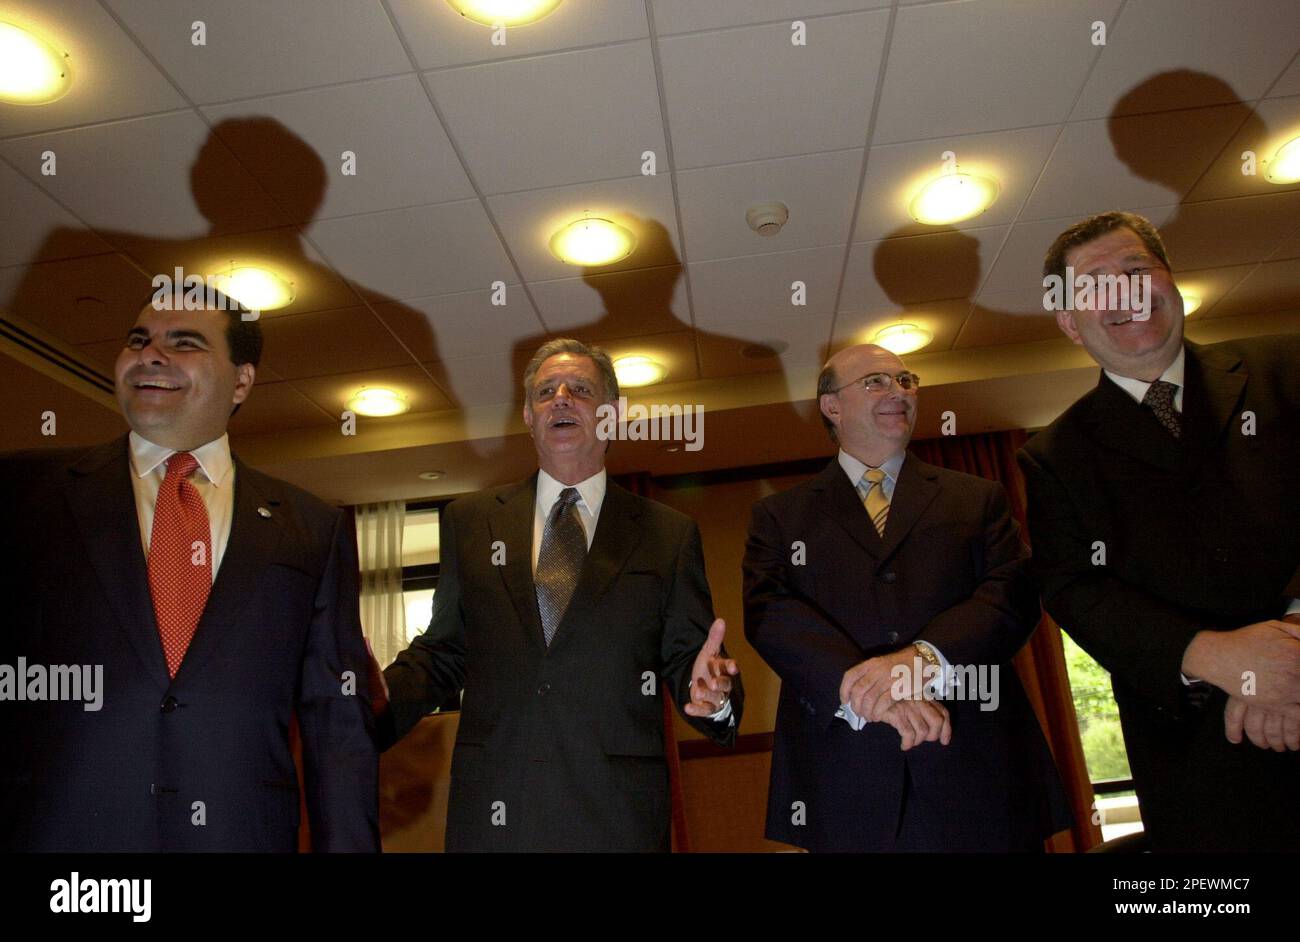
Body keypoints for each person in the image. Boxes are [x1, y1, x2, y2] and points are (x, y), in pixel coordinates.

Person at [0, 289, 379, 852]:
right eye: (138, 340)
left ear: (242, 381)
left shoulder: (309, 526)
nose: (150, 355)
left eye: (185, 343)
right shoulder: (22, 493)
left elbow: (337, 722)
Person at [380, 338, 743, 851]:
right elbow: (444, 651)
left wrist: (710, 694)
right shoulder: (470, 522)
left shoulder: (668, 533)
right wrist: (372, 702)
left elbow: (689, 656)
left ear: (611, 415)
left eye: (580, 390)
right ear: (529, 416)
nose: (562, 399)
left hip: (617, 816)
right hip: (497, 809)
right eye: (546, 391)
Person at [1019, 210, 1300, 851]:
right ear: (1069, 323)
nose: (1122, 293)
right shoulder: (1053, 455)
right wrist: (1214, 656)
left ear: (1172, 282)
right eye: (1093, 286)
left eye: (1136, 269)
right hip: (1201, 762)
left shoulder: (1289, 366)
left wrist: (1287, 653)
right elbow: (1073, 589)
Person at [743, 343, 1070, 851]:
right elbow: (770, 616)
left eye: (906, 380)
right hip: (846, 784)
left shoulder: (977, 496)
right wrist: (869, 690)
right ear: (831, 405)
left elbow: (1013, 593)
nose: (899, 391)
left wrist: (923, 659)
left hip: (979, 771)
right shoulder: (780, 518)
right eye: (875, 381)